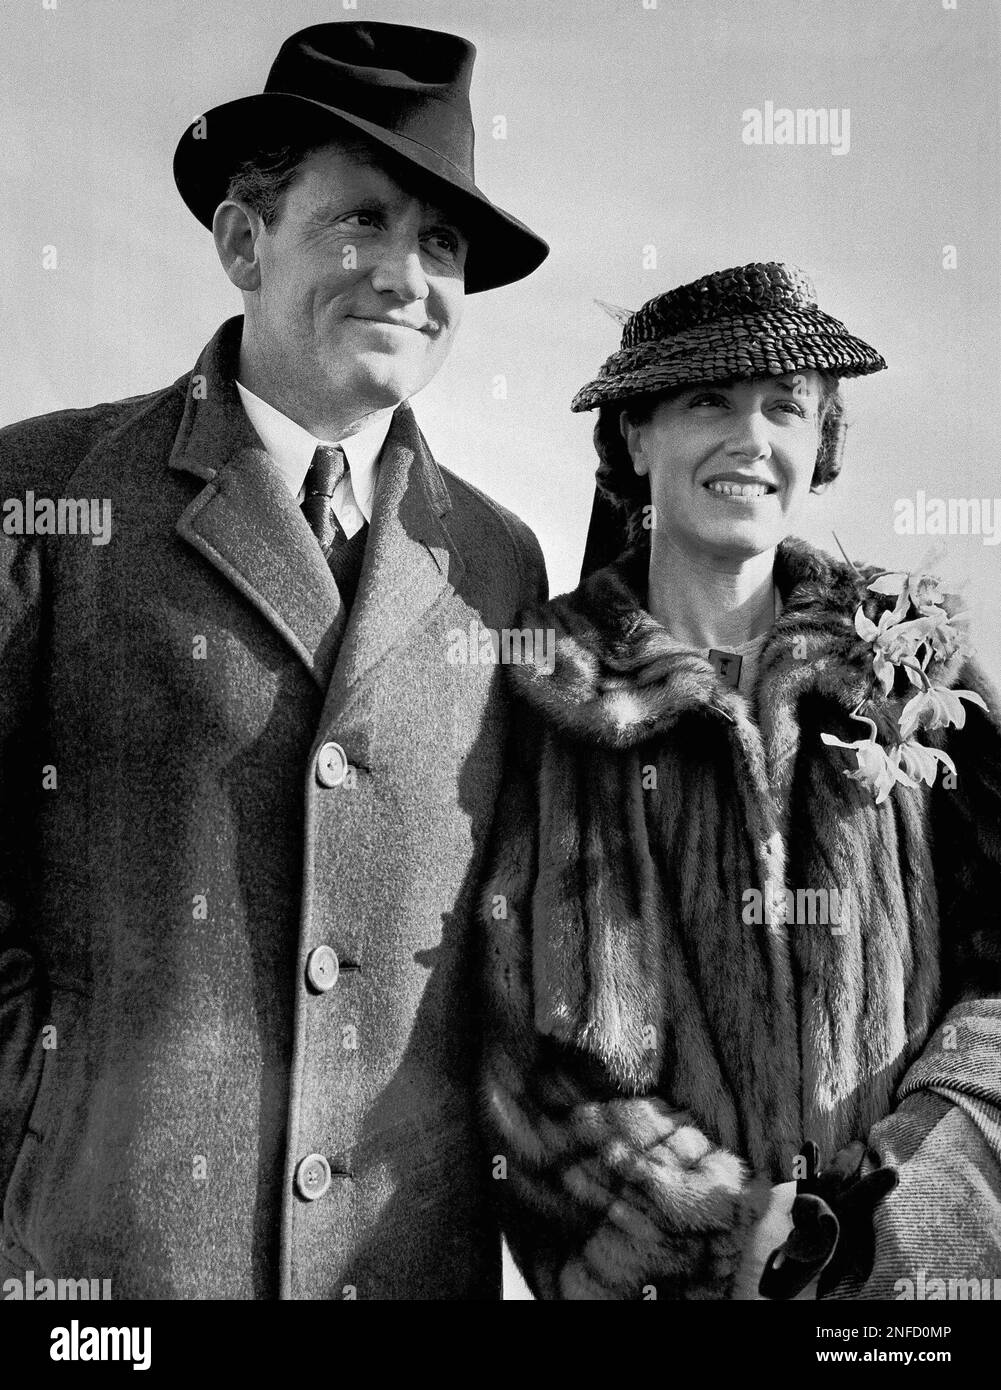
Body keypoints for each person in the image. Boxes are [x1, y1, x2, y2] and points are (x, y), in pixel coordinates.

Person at [0, 21, 549, 1300]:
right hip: (107, 1280)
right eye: (361, 222)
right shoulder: (44, 492)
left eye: (442, 244)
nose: (405, 276)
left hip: (406, 1271)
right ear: (244, 242)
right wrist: (40, 1103)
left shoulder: (499, 563)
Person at [479, 262, 1001, 1299]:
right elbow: (525, 1062)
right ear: (633, 435)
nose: (748, 437)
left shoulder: (913, 668)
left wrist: (897, 1213)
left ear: (822, 444)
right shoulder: (546, 696)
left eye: (784, 407)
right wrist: (740, 1243)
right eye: (705, 400)